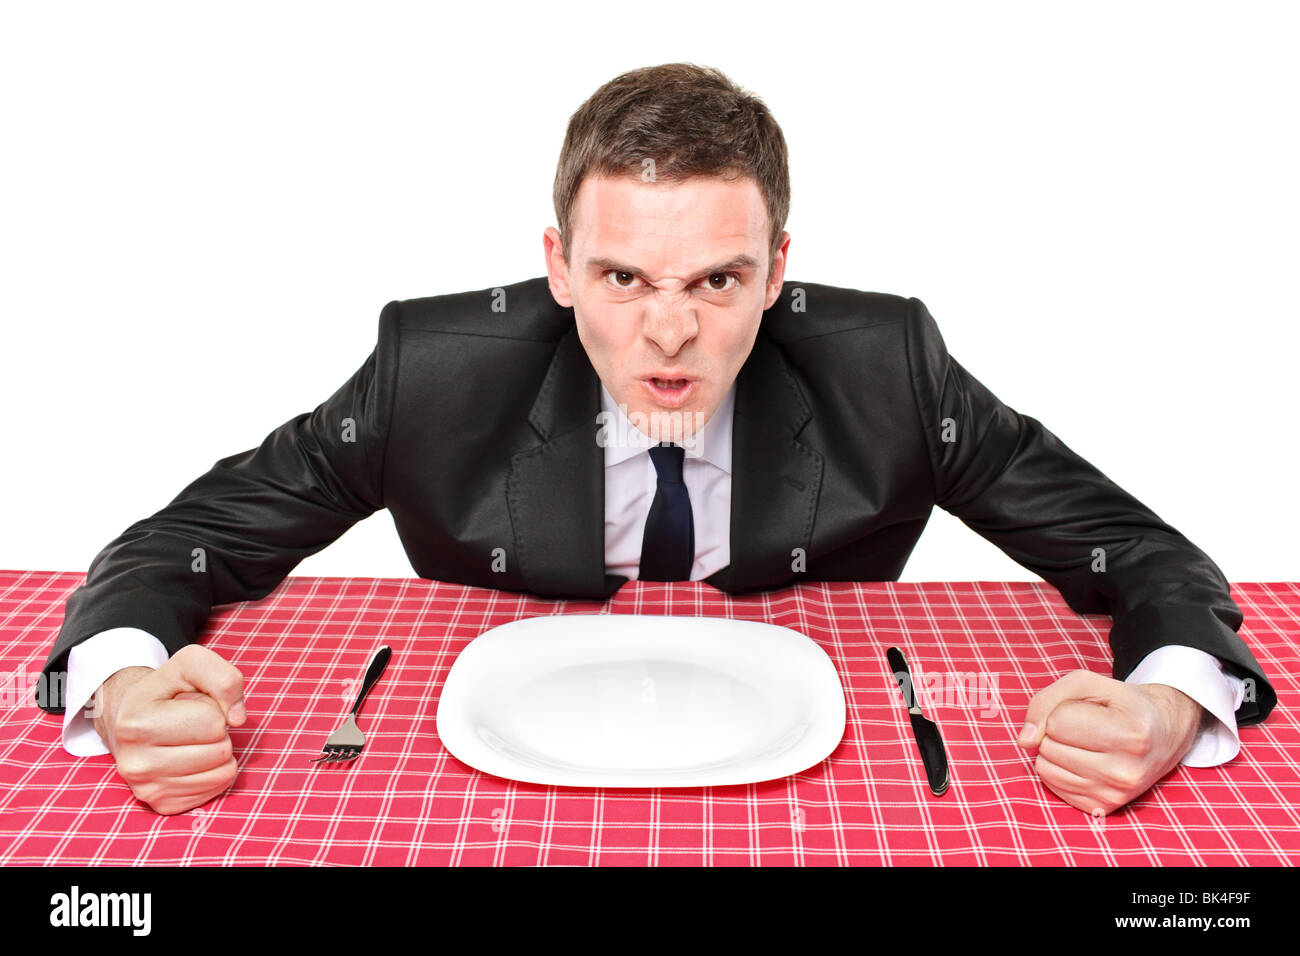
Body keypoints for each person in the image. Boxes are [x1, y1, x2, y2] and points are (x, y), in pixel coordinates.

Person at [38, 62, 1275, 817]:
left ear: (781, 269)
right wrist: (126, 674)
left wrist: (1170, 707)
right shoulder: (437, 371)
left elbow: (1138, 551)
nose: (669, 331)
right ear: (555, 268)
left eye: (721, 279)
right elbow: (186, 539)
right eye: (623, 276)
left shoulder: (887, 366)